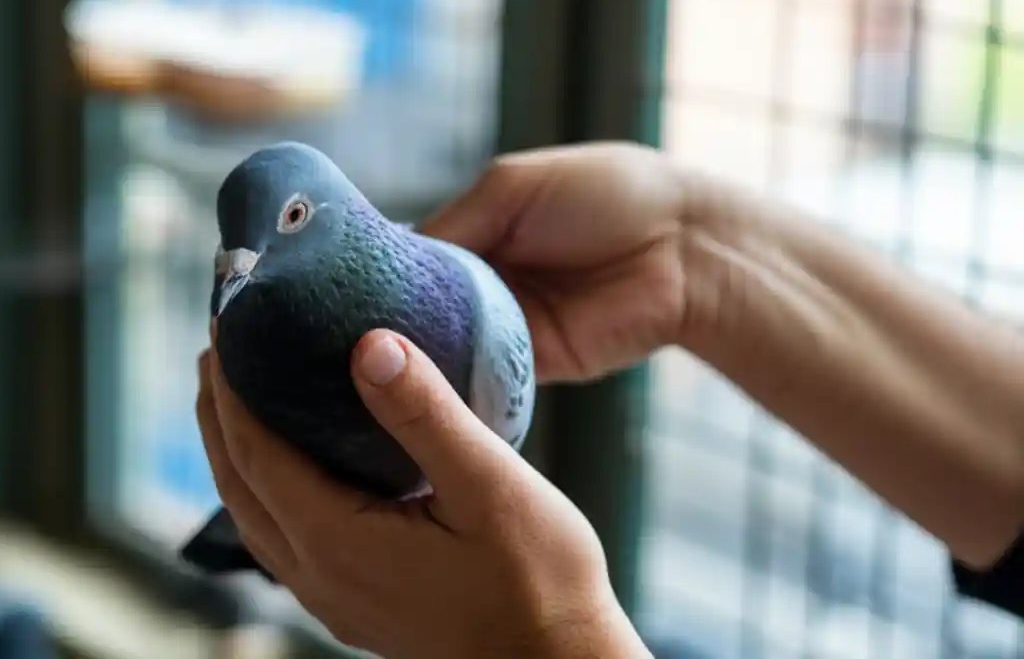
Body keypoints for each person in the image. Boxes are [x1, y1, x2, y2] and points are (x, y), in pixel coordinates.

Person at [194, 142, 1024, 658]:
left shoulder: (482, 331)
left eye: (295, 218)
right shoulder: (247, 303)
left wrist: (534, 644)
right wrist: (689, 247)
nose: (242, 269)